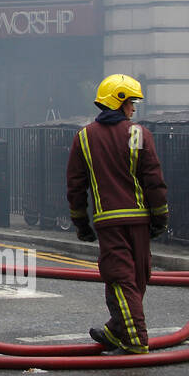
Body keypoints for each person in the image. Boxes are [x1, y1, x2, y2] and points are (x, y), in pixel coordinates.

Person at [66, 73, 169, 355]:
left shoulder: (84, 138)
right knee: (130, 278)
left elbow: (76, 187)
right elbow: (154, 181)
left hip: (108, 222)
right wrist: (160, 219)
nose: (134, 109)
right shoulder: (138, 135)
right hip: (139, 220)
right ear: (119, 101)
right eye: (131, 103)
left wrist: (81, 224)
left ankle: (118, 330)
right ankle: (136, 338)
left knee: (126, 278)